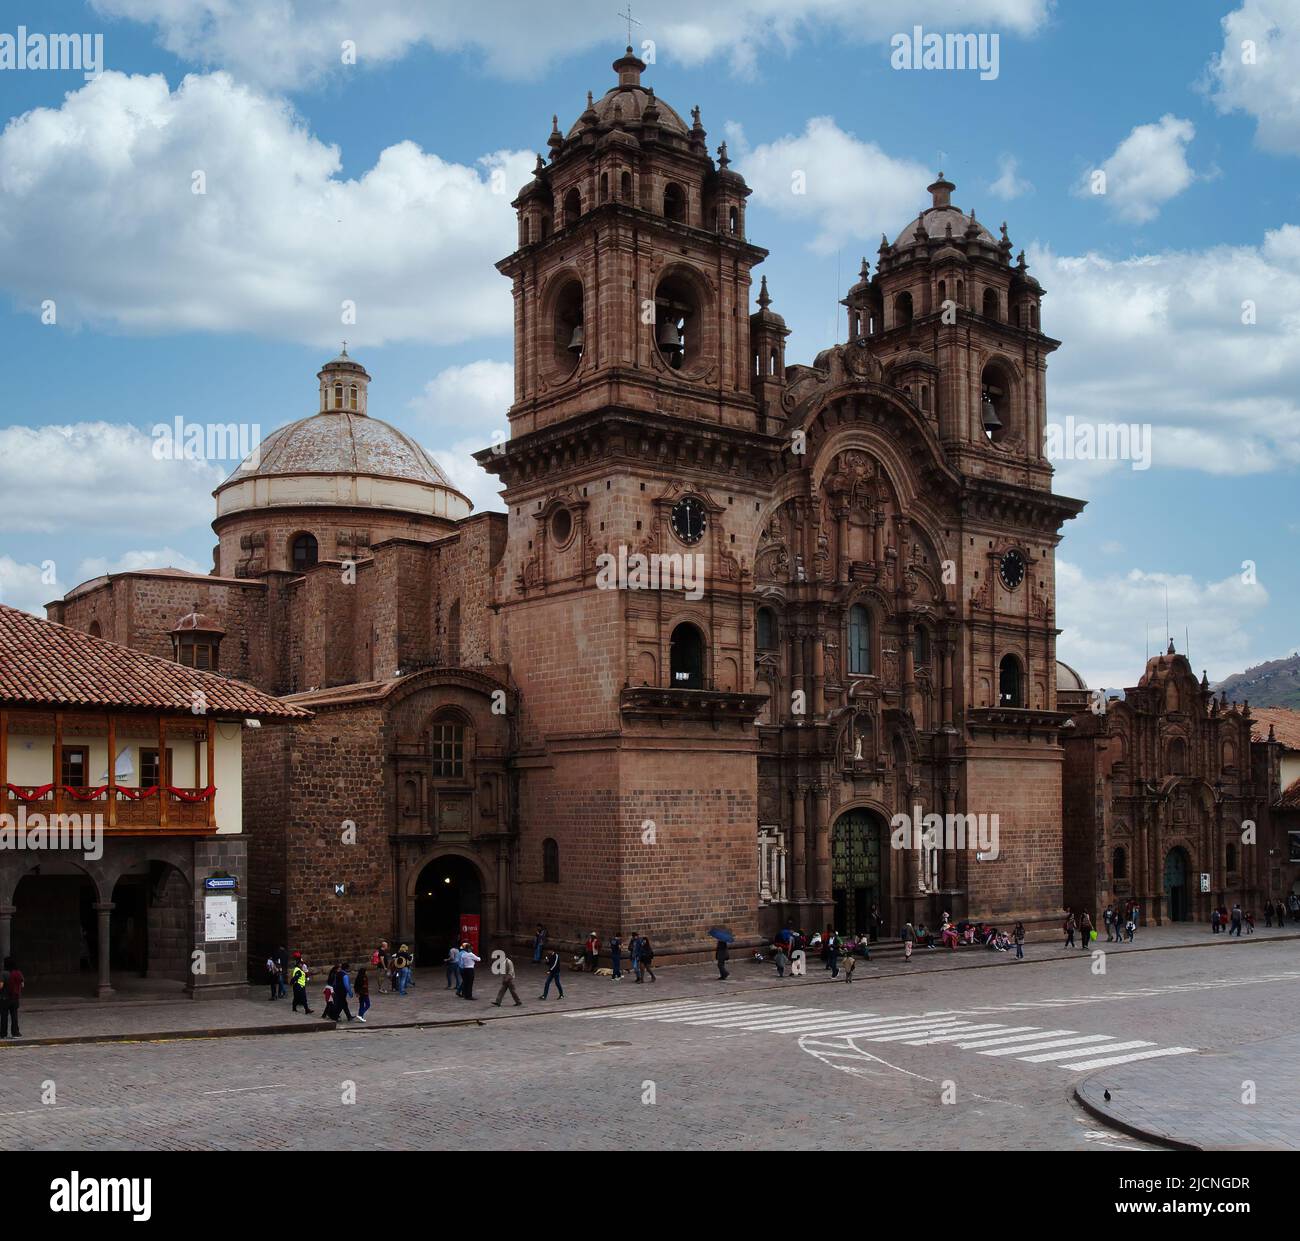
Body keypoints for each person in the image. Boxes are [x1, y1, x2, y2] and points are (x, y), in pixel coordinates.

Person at [0, 957, 24, 1038]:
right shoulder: (18, 973)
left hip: (4, 998)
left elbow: (1, 985)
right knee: (14, 1016)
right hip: (15, 998)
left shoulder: (3, 973)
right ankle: (15, 1033)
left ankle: (3, 1034)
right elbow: (22, 984)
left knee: (4, 1016)